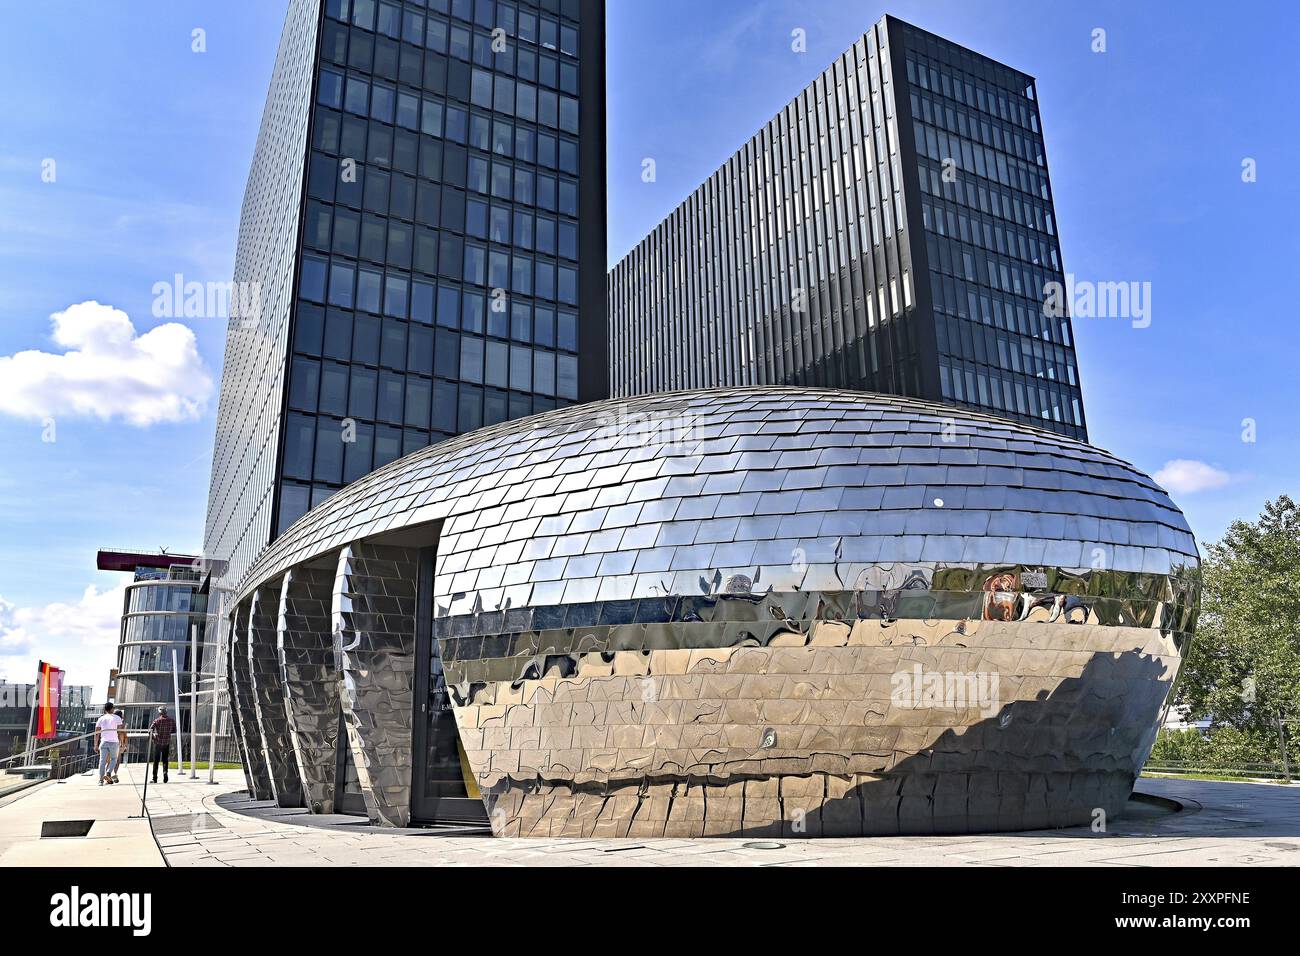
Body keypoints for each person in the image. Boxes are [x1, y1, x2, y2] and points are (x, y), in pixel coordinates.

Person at [93, 702, 125, 786]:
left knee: (102, 761)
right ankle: (108, 772)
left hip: (104, 742)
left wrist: (95, 745)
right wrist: (122, 743)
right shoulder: (117, 718)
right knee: (114, 759)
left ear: (105, 709)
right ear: (112, 709)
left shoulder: (101, 718)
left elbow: (96, 733)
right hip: (114, 742)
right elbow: (120, 732)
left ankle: (100, 780)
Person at [149, 706, 177, 783]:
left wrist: (153, 737)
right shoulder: (171, 720)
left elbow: (150, 731)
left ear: (159, 713)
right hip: (166, 743)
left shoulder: (156, 721)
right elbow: (174, 730)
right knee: (165, 760)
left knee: (156, 761)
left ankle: (154, 778)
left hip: (158, 743)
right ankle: (165, 774)